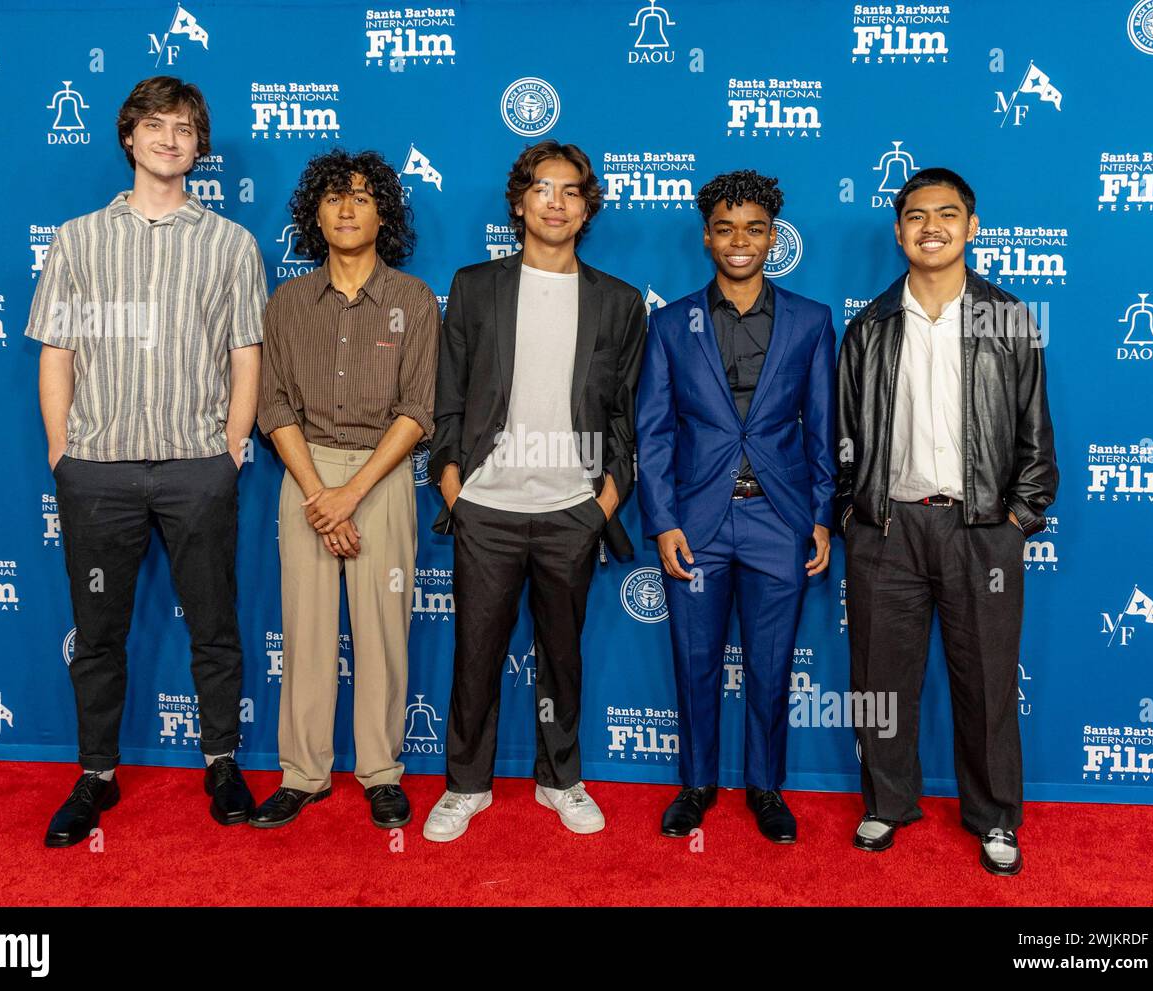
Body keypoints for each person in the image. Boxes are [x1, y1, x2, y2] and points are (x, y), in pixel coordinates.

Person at [26, 76, 266, 846]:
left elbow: (245, 354)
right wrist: (65, 453)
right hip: (98, 470)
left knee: (216, 626)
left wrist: (229, 449)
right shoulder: (76, 239)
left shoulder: (231, 244)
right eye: (156, 125)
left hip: (199, 466)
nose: (170, 138)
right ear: (129, 137)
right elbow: (56, 353)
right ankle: (96, 772)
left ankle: (222, 761)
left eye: (186, 128)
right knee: (97, 632)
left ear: (200, 146)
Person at [422, 140, 646, 842]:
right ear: (519, 202)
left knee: (563, 656)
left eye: (571, 190)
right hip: (485, 506)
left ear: (586, 208)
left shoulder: (618, 301)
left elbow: (626, 418)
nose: (556, 200)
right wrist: (455, 488)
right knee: (475, 654)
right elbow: (449, 400)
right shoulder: (475, 287)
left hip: (570, 511)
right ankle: (465, 784)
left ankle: (560, 778)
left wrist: (602, 503)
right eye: (542, 188)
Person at [837, 167, 1058, 876]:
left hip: (981, 530)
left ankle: (994, 817)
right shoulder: (868, 327)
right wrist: (853, 513)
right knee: (881, 679)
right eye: (916, 215)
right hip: (888, 530)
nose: (931, 226)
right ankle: (887, 802)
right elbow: (843, 437)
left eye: (947, 213)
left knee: (989, 680)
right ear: (898, 230)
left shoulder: (1008, 318)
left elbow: (1035, 436)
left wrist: (1017, 518)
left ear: (972, 226)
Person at [637, 170, 836, 843]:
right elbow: (654, 431)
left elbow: (823, 426)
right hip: (697, 524)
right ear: (706, 237)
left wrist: (820, 514)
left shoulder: (812, 321)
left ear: (773, 237)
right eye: (725, 228)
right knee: (693, 658)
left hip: (779, 519)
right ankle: (695, 783)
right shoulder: (669, 324)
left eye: (753, 228)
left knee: (771, 663)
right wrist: (662, 518)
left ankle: (765, 785)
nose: (739, 240)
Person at [250, 150, 439, 830]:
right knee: (305, 630)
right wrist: (318, 492)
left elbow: (419, 409)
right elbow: (272, 406)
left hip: (381, 478)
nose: (348, 208)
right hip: (305, 476)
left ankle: (382, 772)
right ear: (315, 215)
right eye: (334, 198)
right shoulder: (288, 302)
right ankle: (303, 773)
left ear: (383, 212)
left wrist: (349, 493)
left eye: (362, 196)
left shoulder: (413, 300)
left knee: (383, 631)